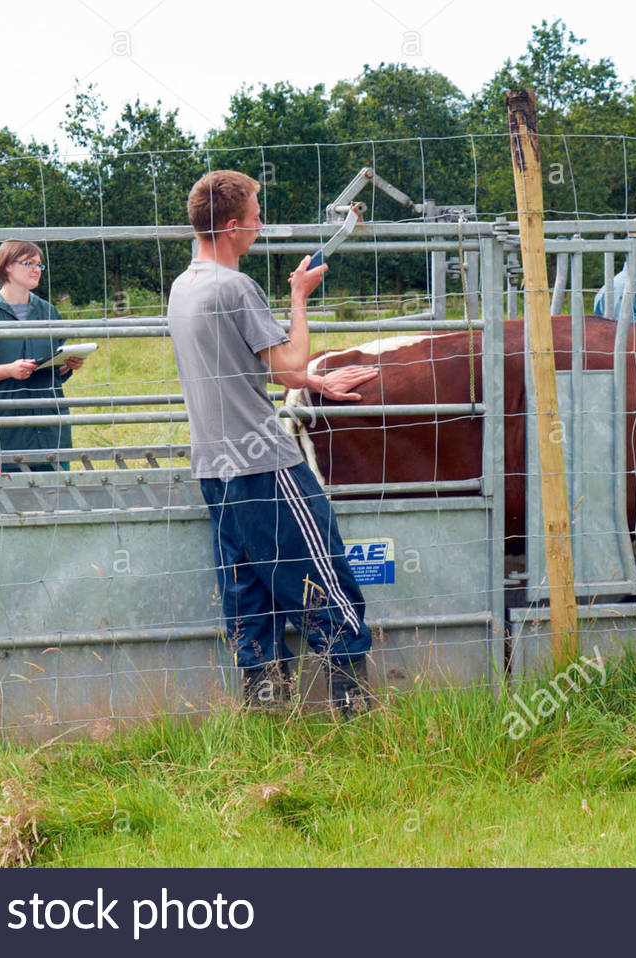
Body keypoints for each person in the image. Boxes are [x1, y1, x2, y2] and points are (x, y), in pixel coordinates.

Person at [167, 169, 379, 716]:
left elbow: (235, 365)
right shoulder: (235, 286)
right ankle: (352, 709)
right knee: (322, 575)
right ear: (233, 227)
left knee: (248, 590)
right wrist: (300, 297)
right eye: (257, 213)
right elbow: (285, 366)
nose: (261, 223)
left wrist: (317, 383)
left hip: (215, 467)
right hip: (265, 462)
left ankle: (265, 709)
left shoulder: (184, 286)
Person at [0, 241, 86, 471]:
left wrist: (66, 365)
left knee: (56, 498)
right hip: (3, 434)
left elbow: (55, 370)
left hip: (51, 431)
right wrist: (9, 370)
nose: (36, 269)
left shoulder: (48, 311)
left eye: (39, 265)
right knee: (4, 503)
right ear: (7, 267)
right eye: (28, 263)